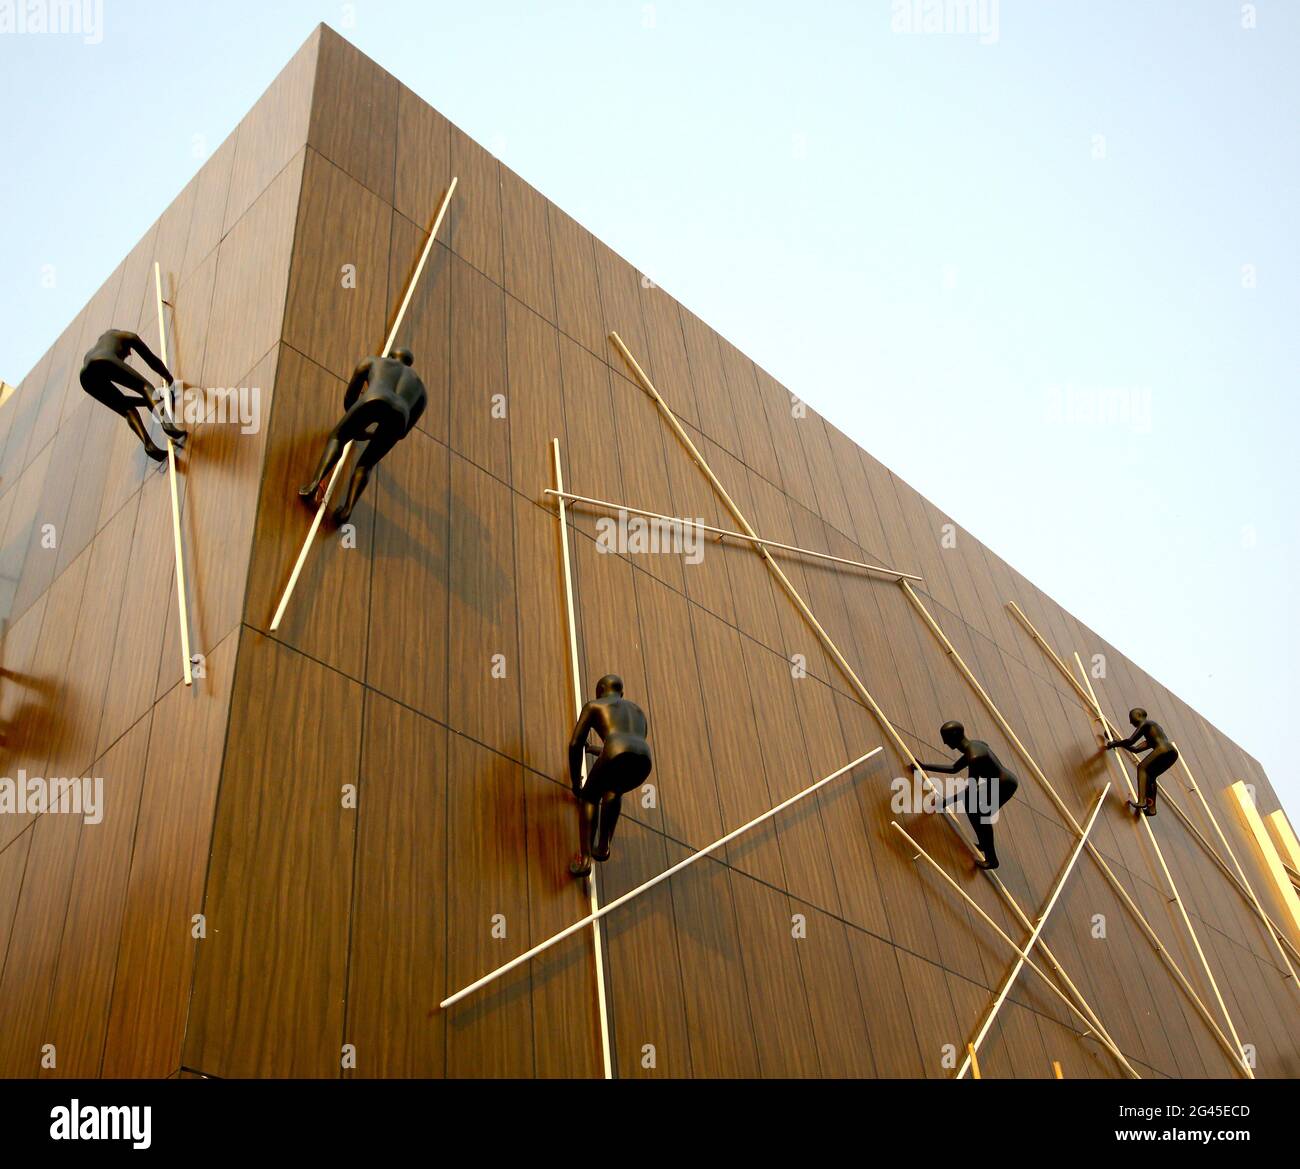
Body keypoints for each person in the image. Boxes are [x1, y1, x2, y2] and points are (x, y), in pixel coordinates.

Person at [298, 348, 426, 525]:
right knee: (367, 464)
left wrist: (356, 428)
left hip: (374, 398)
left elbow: (350, 399)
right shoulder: (420, 389)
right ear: (410, 363)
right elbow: (402, 433)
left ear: (391, 356)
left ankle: (314, 484)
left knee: (338, 437)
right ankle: (347, 510)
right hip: (400, 415)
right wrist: (372, 435)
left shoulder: (373, 361)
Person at [567, 675, 652, 877]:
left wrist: (576, 784)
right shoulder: (638, 713)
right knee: (614, 789)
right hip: (644, 758)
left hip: (615, 752)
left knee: (590, 797)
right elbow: (626, 745)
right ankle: (604, 847)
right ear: (621, 693)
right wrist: (595, 750)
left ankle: (585, 860)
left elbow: (574, 744)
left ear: (602, 689)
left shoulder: (595, 706)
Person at [916, 720, 1020, 870]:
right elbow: (954, 768)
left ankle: (992, 860)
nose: (945, 743)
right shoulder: (975, 745)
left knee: (982, 817)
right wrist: (924, 766)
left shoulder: (974, 757)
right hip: (997, 782)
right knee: (972, 810)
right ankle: (984, 844)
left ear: (953, 737)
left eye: (945, 739)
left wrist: (944, 803)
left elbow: (969, 791)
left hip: (1004, 785)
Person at [79, 329, 186, 460]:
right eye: (128, 353)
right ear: (127, 347)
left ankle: (149, 446)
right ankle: (167, 424)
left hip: (85, 377)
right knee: (145, 387)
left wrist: (147, 401)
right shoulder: (129, 337)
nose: (128, 355)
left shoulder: (96, 349)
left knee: (127, 410)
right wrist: (169, 379)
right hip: (103, 360)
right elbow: (152, 360)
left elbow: (124, 401)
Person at [1105, 707, 1178, 817]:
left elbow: (1130, 741)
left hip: (1163, 749)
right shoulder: (1153, 733)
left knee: (1142, 768)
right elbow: (1135, 749)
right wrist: (1117, 741)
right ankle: (1152, 809)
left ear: (1138, 715)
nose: (1130, 722)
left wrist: (1115, 743)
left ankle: (1141, 801)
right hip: (1171, 753)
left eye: (1131, 718)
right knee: (1151, 777)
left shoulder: (1146, 723)